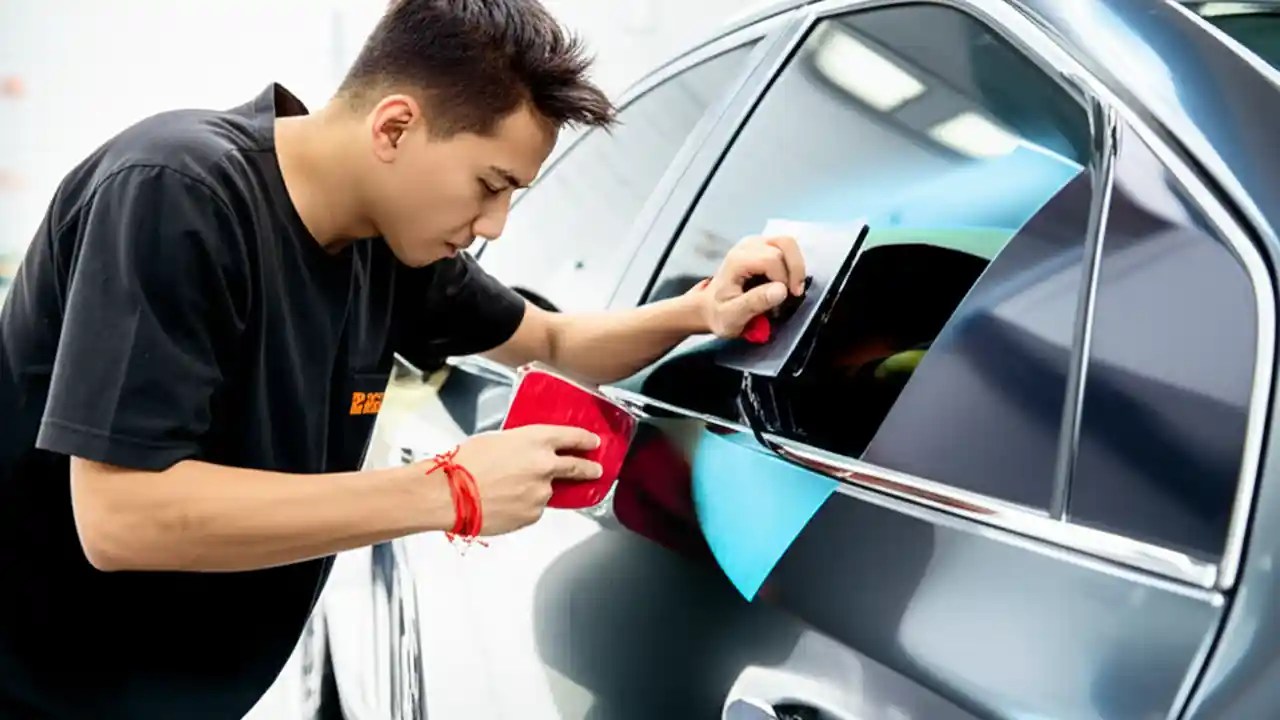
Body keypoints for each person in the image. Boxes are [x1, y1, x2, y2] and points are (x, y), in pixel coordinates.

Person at [0, 1, 807, 718]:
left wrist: (703, 309)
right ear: (394, 126)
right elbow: (122, 518)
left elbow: (557, 342)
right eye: (491, 183)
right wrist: (449, 489)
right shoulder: (178, 193)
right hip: (42, 689)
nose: (495, 224)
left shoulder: (391, 249)